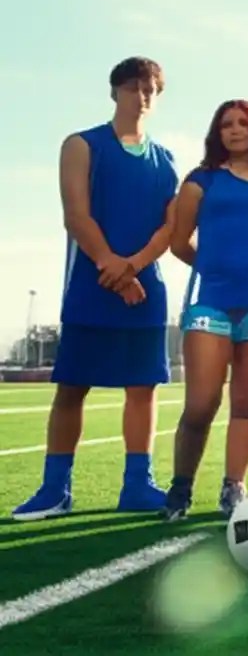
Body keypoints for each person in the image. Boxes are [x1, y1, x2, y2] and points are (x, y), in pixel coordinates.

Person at [12, 57, 178, 521]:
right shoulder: (82, 145)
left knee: (143, 389)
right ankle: (55, 490)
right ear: (114, 92)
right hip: (92, 285)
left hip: (145, 290)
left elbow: (170, 226)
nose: (141, 96)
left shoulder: (165, 159)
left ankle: (137, 485)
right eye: (133, 87)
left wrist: (134, 268)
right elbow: (76, 215)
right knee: (72, 387)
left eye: (149, 89)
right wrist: (112, 267)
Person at [163, 100, 248, 520]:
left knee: (245, 401)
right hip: (211, 299)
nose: (235, 130)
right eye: (226, 124)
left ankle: (233, 487)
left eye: (243, 123)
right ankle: (181, 486)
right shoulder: (201, 181)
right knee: (201, 403)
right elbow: (179, 242)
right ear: (217, 133)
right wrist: (214, 268)